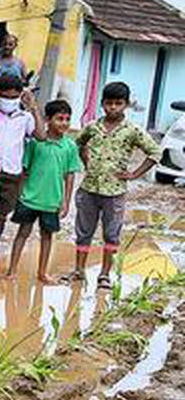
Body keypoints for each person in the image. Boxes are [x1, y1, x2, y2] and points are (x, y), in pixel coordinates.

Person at [66, 81, 160, 289]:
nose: (113, 108)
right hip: (89, 188)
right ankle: (79, 270)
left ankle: (104, 275)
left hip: (115, 192)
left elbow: (155, 152)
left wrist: (134, 174)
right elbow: (77, 143)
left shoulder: (132, 130)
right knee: (83, 231)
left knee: (111, 233)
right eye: (109, 103)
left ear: (126, 105)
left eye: (118, 103)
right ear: (102, 104)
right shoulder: (93, 126)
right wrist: (86, 161)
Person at [5, 99, 80, 284]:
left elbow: (70, 176)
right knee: (23, 232)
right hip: (29, 198)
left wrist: (66, 202)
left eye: (67, 119)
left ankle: (42, 272)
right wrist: (19, 195)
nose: (64, 123)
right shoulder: (35, 143)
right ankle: (12, 270)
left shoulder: (70, 146)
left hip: (51, 201)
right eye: (59, 119)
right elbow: (25, 170)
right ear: (47, 119)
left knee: (47, 236)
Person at [0, 72, 42, 241]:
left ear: (20, 96)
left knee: (1, 217)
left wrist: (33, 106)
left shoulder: (25, 118)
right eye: (5, 97)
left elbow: (41, 136)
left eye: (13, 97)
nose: (9, 101)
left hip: (12, 175)